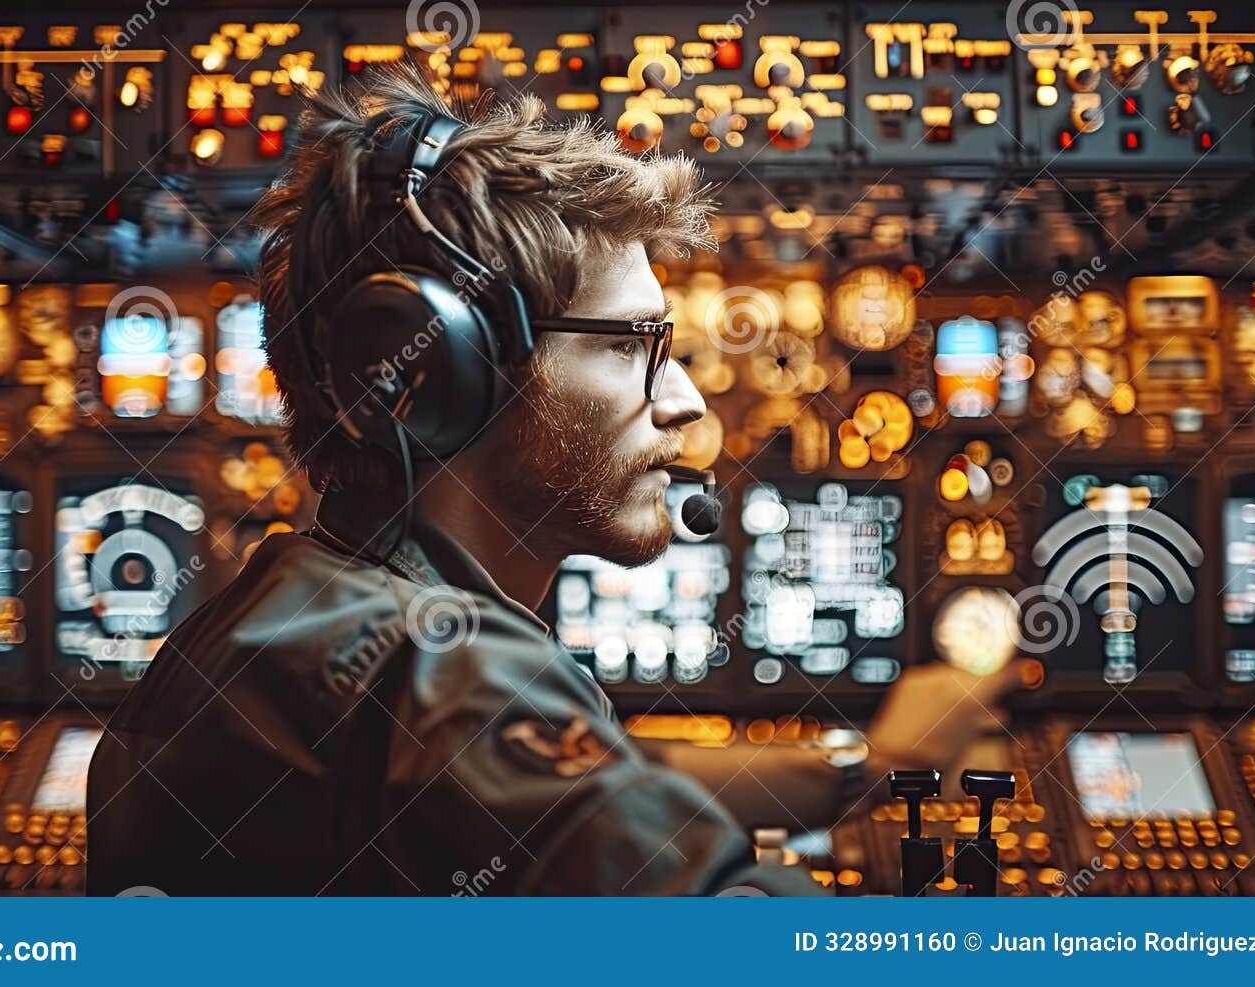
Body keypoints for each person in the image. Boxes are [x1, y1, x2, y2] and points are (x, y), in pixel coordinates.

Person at [86, 67, 1021, 896]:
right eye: (637, 345)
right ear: (446, 370)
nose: (690, 401)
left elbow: (600, 781)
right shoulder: (429, 672)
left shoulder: (299, 628)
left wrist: (868, 766)